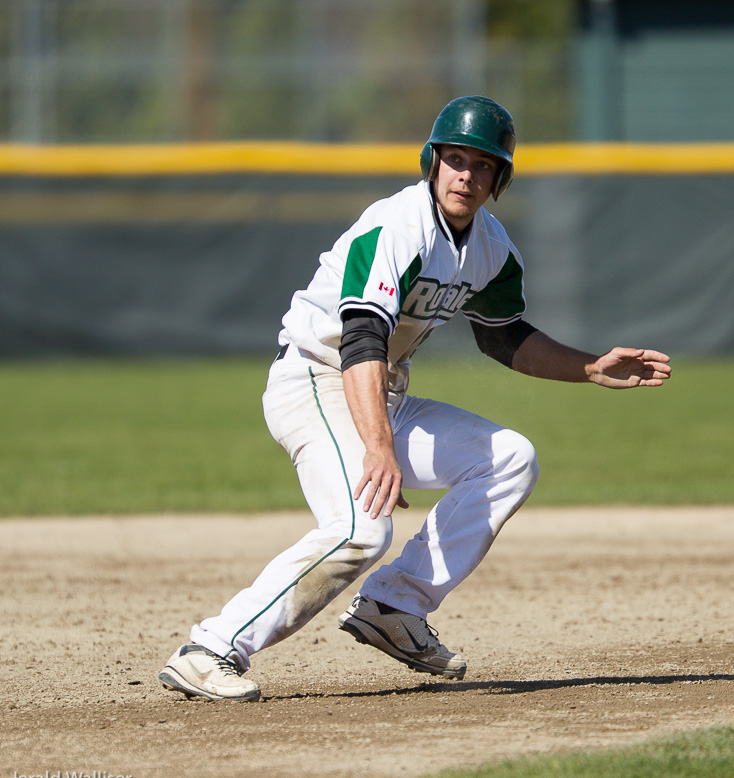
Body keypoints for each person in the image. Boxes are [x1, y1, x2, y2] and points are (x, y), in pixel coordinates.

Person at [157, 96, 671, 701]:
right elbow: (361, 337)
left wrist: (588, 367)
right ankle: (211, 648)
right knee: (361, 531)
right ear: (433, 162)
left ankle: (394, 606)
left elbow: (503, 336)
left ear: (499, 179)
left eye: (483, 165)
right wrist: (379, 448)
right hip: (317, 379)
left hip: (380, 389)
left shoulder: (491, 247)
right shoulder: (396, 228)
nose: (467, 175)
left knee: (510, 459)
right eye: (456, 159)